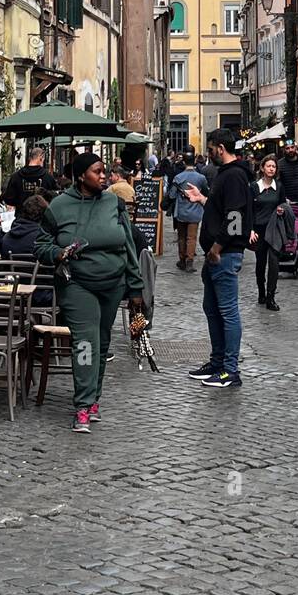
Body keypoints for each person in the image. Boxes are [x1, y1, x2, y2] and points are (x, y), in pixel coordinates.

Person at [35, 152, 145, 433]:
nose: (104, 176)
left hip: (113, 283)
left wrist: (135, 288)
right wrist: (57, 253)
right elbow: (41, 244)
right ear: (82, 175)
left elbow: (129, 248)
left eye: (105, 171)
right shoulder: (59, 206)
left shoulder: (114, 203)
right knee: (85, 342)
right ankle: (82, 405)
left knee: (103, 343)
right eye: (97, 171)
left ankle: (94, 398)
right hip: (77, 283)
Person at [181, 128, 254, 388]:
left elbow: (235, 217)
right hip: (218, 254)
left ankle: (230, 371)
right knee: (212, 309)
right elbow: (223, 208)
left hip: (224, 254)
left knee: (227, 311)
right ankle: (218, 361)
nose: (208, 153)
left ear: (220, 149)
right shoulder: (227, 175)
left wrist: (217, 248)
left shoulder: (233, 176)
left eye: (210, 148)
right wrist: (203, 199)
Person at [251, 155, 286, 311]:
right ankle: (261, 291)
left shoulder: (279, 186)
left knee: (274, 262)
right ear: (262, 168)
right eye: (269, 166)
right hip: (259, 230)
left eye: (274, 166)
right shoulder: (254, 187)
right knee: (260, 263)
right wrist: (250, 230)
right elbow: (249, 210)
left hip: (274, 229)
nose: (271, 168)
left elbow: (283, 204)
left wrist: (281, 209)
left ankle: (271, 296)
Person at [169, 150, 208, 272]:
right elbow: (206, 192)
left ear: (184, 162)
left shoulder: (178, 177)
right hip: (195, 210)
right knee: (191, 237)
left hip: (181, 210)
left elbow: (172, 195)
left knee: (181, 236)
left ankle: (182, 260)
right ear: (194, 161)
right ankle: (189, 261)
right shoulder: (201, 178)